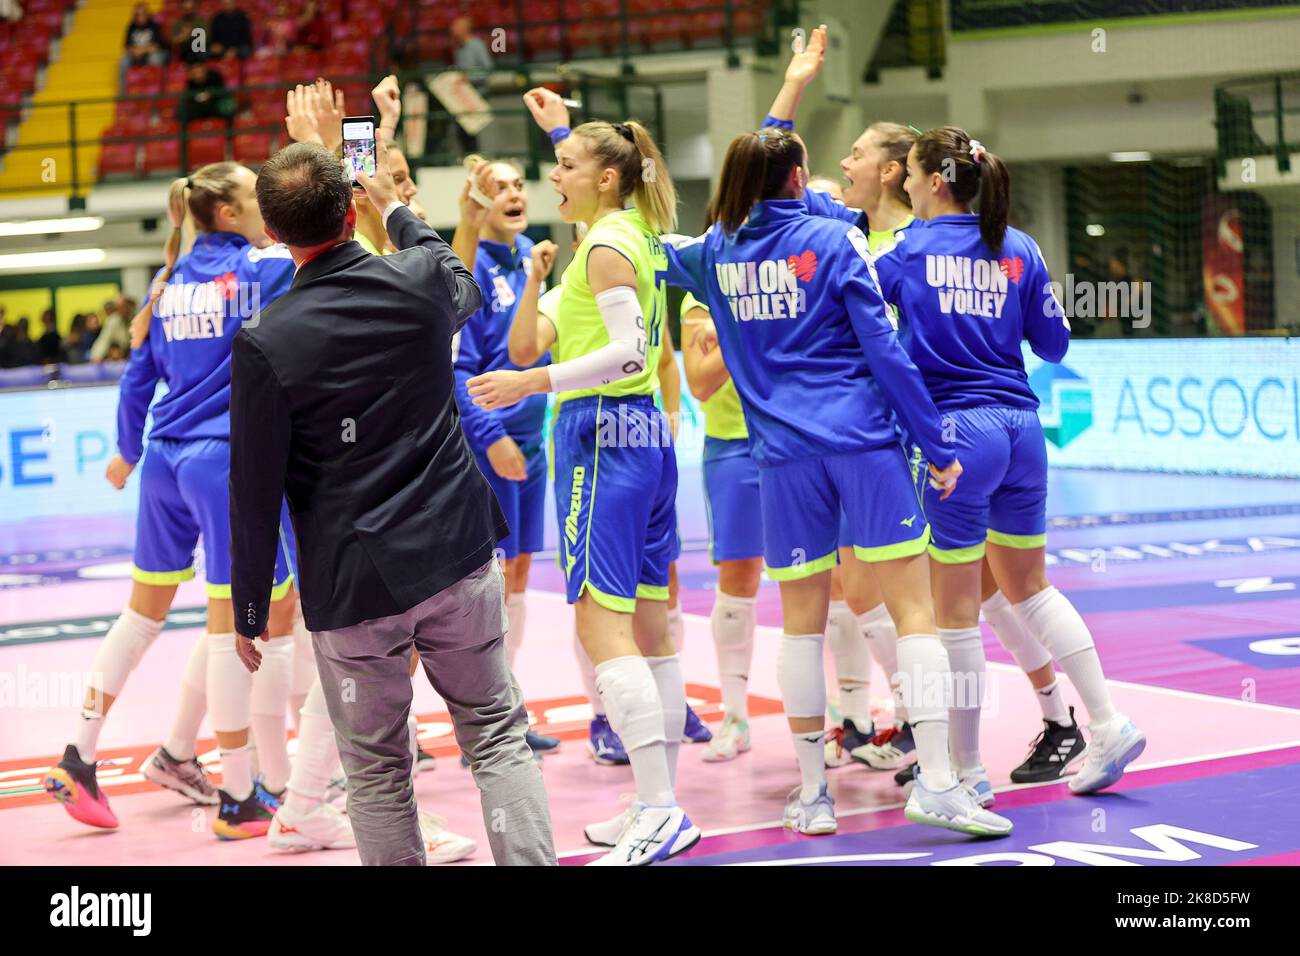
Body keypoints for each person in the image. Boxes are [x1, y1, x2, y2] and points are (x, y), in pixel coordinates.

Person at [661, 124, 1014, 838]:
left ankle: (814, 796)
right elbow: (887, 353)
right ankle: (941, 782)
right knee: (913, 612)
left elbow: (644, 253)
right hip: (864, 445)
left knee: (800, 627)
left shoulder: (715, 253)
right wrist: (935, 442)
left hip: (781, 459)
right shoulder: (834, 244)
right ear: (797, 180)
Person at [229, 139, 556, 867]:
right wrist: (399, 209)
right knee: (497, 736)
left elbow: (252, 492)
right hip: (455, 552)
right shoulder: (416, 281)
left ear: (274, 234)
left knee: (375, 772)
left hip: (353, 585)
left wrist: (250, 609)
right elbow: (457, 278)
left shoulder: (264, 339)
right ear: (353, 211)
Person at [872, 126, 1147, 796]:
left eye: (908, 171)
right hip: (1024, 432)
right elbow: (1054, 345)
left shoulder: (906, 251)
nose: (903, 182)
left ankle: (966, 772)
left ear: (936, 180)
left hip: (957, 437)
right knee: (1032, 588)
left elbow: (860, 320)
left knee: (955, 614)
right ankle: (1106, 722)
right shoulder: (1017, 247)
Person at [469, 88, 698, 865]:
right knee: (647, 623)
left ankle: (661, 808)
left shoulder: (604, 247)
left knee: (603, 626)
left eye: (564, 165)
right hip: (642, 441)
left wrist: (531, 388)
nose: (551, 176)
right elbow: (530, 340)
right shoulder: (625, 229)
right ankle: (655, 799)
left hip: (602, 436)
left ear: (604, 177)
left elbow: (632, 355)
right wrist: (562, 128)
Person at [41, 163, 300, 836]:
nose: (262, 201)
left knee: (141, 617)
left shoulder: (166, 281)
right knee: (238, 627)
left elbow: (136, 378)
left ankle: (79, 754)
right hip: (227, 465)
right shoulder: (261, 270)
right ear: (225, 213)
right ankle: (243, 796)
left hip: (163, 460)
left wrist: (127, 452)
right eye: (251, 194)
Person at [447, 156, 563, 759]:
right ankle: (475, 720)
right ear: (477, 202)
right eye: (499, 187)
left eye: (520, 184)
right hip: (487, 443)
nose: (514, 194)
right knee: (481, 584)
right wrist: (490, 435)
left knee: (516, 576)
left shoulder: (528, 260)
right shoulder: (470, 265)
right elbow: (459, 367)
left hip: (532, 438)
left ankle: (505, 710)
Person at [680, 290, 762, 762]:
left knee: (830, 582)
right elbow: (701, 382)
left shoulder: (796, 258)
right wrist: (749, 324)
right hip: (733, 448)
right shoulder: (702, 291)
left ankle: (843, 718)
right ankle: (735, 718)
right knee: (737, 582)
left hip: (801, 438)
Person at [450, 15, 492, 155]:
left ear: (464, 29)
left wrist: (470, 78)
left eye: (455, 27)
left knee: (473, 129)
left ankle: (476, 158)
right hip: (462, 95)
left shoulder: (477, 46)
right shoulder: (459, 49)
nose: (452, 30)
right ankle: (468, 157)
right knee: (462, 130)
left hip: (477, 94)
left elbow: (488, 69)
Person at [120, 2, 167, 88]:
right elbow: (127, 46)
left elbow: (157, 45)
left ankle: (156, 90)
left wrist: (141, 51)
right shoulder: (131, 26)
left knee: (154, 58)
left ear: (147, 14)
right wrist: (134, 51)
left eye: (141, 14)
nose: (139, 17)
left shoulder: (154, 25)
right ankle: (123, 93)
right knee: (124, 61)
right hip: (137, 56)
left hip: (153, 54)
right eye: (137, 14)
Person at [179, 58, 234, 126]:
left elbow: (222, 93)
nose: (197, 73)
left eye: (198, 69)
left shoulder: (215, 77)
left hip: (215, 105)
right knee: (184, 111)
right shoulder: (190, 84)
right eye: (194, 70)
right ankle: (186, 135)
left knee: (228, 107)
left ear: (204, 69)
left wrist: (210, 95)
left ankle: (229, 133)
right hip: (200, 108)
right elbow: (190, 99)